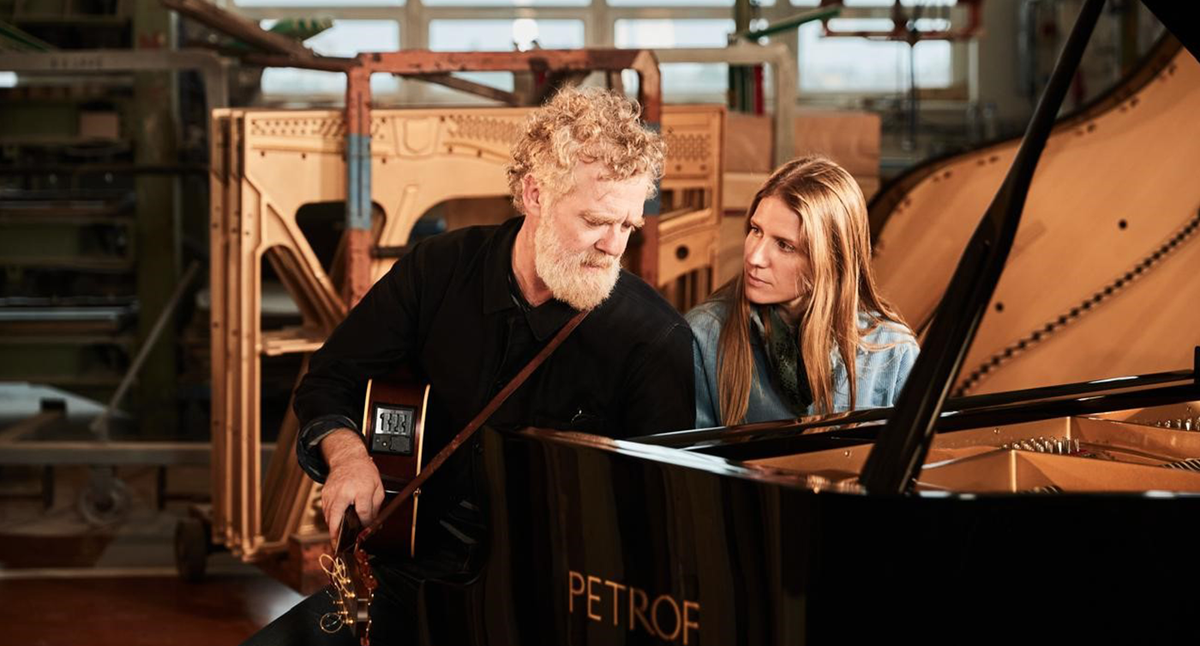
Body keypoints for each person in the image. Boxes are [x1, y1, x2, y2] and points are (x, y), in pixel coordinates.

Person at [242, 86, 695, 646]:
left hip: (550, 598)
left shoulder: (654, 339)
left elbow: (659, 527)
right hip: (407, 564)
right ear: (535, 193)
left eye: (628, 226)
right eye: (596, 220)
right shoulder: (439, 269)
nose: (613, 246)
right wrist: (349, 456)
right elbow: (331, 378)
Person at [687, 155, 918, 428]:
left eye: (785, 245)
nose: (755, 257)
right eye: (756, 230)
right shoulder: (705, 335)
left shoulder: (892, 351)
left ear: (830, 261)